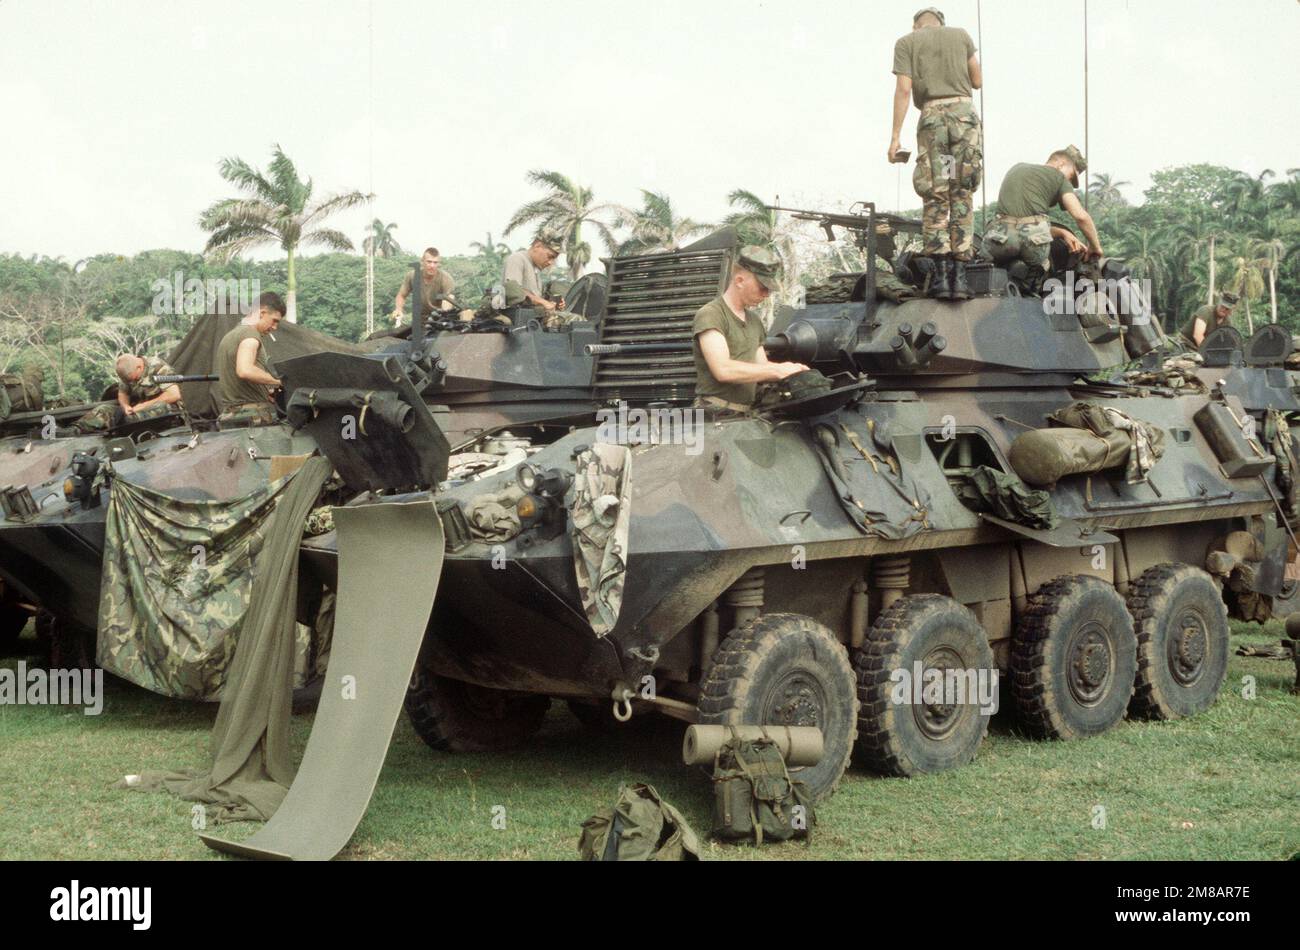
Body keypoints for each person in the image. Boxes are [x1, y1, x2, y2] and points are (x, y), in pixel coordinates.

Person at [889, 6, 983, 299]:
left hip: (933, 121)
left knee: (937, 193)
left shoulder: (907, 42)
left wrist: (895, 137)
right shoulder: (961, 35)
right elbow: (977, 81)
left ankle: (941, 278)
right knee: (962, 192)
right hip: (964, 118)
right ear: (942, 23)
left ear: (917, 26)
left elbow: (903, 90)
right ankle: (961, 278)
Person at [692, 246, 808, 411]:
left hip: (746, 413)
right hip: (715, 413)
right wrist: (778, 370)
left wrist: (794, 370)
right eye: (763, 287)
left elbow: (762, 366)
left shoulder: (754, 320)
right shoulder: (711, 314)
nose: (766, 294)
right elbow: (723, 370)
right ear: (739, 281)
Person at [982, 145, 1102, 285]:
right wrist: (1095, 246)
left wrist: (1062, 232)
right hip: (1034, 246)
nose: (1069, 181)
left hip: (1000, 239)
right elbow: (1080, 216)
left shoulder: (1017, 168)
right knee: (1043, 270)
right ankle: (1032, 288)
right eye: (1071, 175)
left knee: (982, 264)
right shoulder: (1058, 178)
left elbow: (1019, 224)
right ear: (1061, 164)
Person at [216, 291, 285, 425]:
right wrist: (277, 382)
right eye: (274, 320)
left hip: (230, 415)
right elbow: (245, 370)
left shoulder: (231, 335)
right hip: (253, 416)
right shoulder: (250, 334)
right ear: (262, 312)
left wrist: (265, 391)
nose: (275, 327)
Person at [72, 353, 182, 433]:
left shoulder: (159, 367)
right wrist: (125, 406)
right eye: (129, 381)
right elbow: (123, 393)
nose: (132, 382)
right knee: (103, 409)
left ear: (139, 367)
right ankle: (76, 430)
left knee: (155, 409)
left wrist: (144, 406)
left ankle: (121, 426)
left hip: (166, 411)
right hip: (137, 410)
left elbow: (174, 395)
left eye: (134, 379)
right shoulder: (127, 372)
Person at [393, 247, 456, 326]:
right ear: (422, 261)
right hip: (419, 321)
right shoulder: (412, 276)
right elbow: (401, 295)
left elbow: (449, 299)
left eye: (435, 262)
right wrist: (398, 309)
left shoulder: (445, 278)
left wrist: (444, 315)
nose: (432, 265)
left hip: (439, 320)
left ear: (439, 263)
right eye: (429, 262)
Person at [502, 234, 562, 313]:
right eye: (550, 256)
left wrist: (552, 303)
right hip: (519, 316)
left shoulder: (535, 268)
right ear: (537, 246)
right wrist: (543, 302)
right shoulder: (517, 259)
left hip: (532, 316)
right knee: (576, 320)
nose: (551, 262)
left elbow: (534, 297)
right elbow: (513, 292)